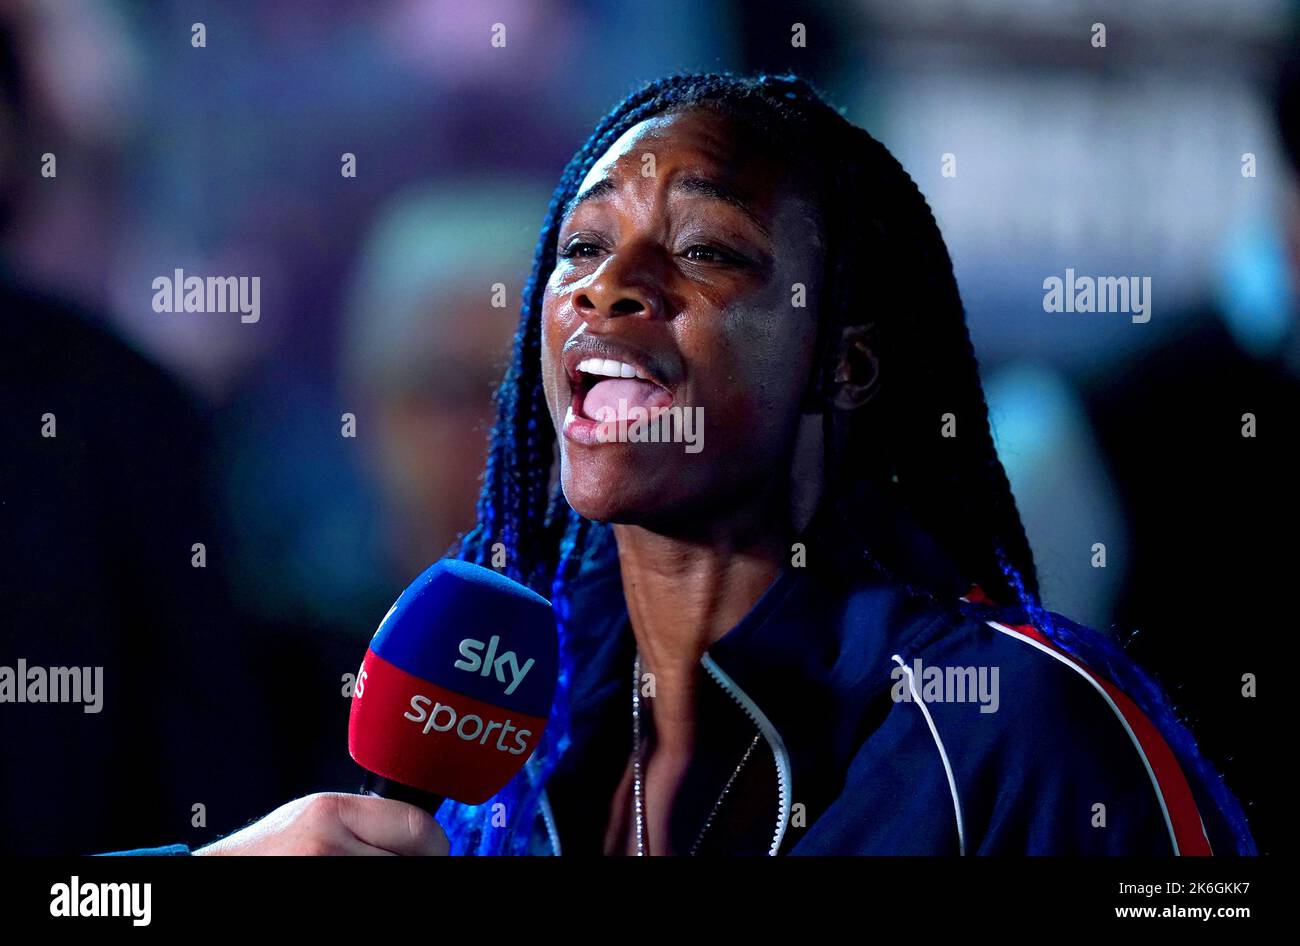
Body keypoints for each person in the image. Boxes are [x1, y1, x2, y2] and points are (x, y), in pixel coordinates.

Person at [110, 72, 1254, 856]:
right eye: (583, 246)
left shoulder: (1014, 726)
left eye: (704, 249)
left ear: (843, 363)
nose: (611, 286)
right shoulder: (511, 723)